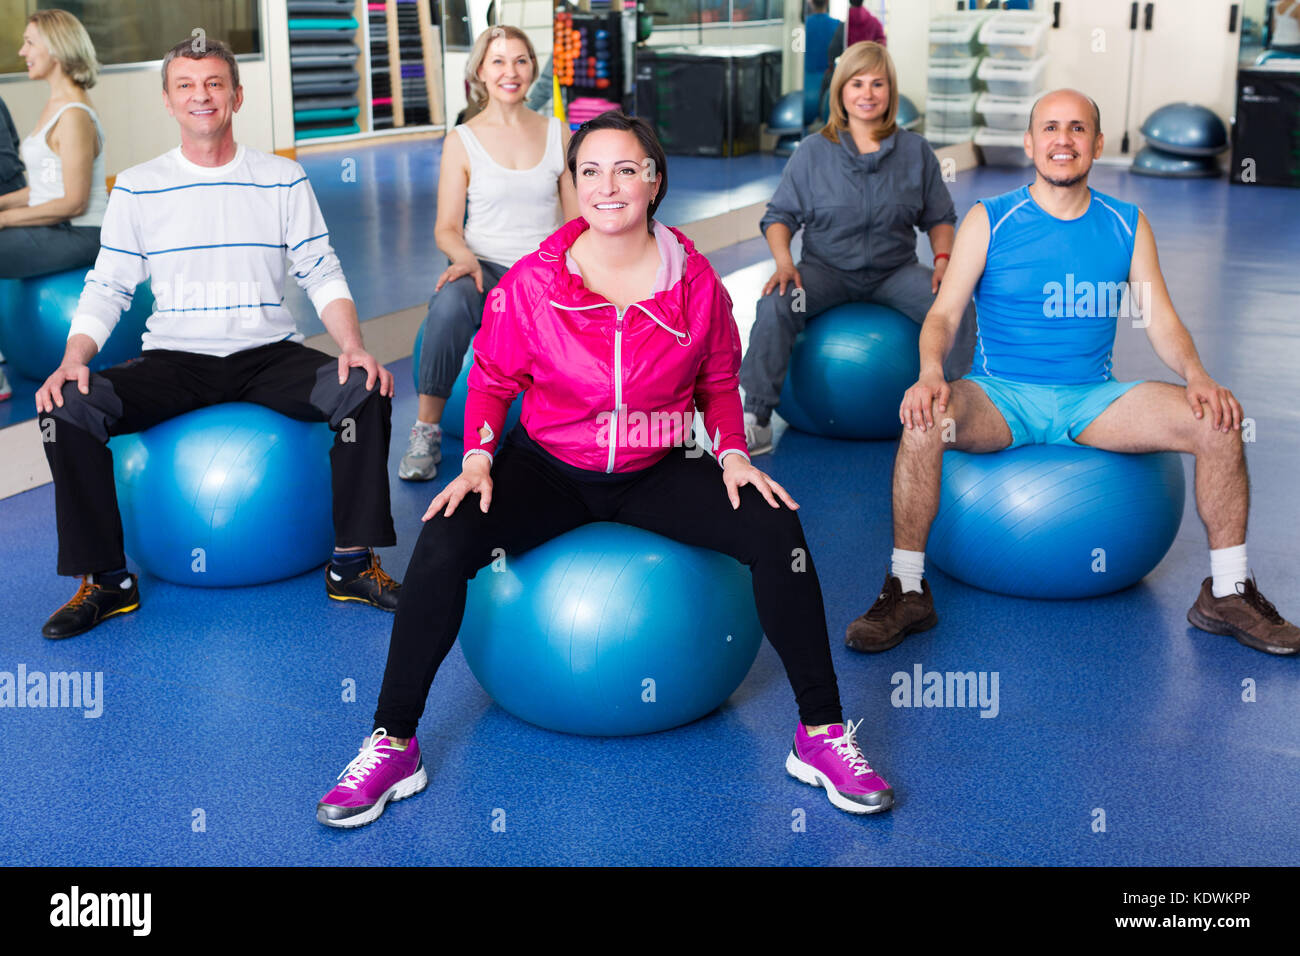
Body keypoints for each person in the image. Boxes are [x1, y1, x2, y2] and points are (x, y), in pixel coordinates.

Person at [317, 112, 895, 828]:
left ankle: (822, 734)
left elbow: (718, 378)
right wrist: (474, 457)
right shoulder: (532, 283)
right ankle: (392, 742)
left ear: (654, 180)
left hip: (659, 461)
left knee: (779, 526)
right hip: (550, 464)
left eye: (626, 169)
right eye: (589, 171)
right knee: (442, 535)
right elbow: (493, 377)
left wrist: (734, 453)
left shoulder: (696, 282)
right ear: (572, 183)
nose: (606, 185)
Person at [844, 88, 1300, 657]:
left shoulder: (1126, 223)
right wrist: (931, 371)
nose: (1064, 140)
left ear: (1098, 144)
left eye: (1079, 129)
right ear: (1031, 143)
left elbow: (1161, 321)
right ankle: (907, 588)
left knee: (1218, 423)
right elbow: (943, 313)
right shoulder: (991, 219)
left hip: (1092, 400)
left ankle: (1227, 593)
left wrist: (1199, 376)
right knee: (923, 421)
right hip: (1000, 396)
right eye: (1052, 128)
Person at [35, 37, 401, 640]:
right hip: (175, 360)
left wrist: (353, 345)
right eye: (186, 85)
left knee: (363, 387)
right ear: (168, 99)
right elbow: (108, 286)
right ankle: (106, 581)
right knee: (68, 407)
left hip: (268, 353)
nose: (200, 96)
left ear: (237, 94)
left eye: (213, 84)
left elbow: (320, 267)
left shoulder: (282, 179)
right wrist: (74, 359)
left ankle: (352, 564)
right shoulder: (139, 186)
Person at [742, 42, 976, 455]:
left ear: (891, 92)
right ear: (840, 91)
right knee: (778, 303)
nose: (867, 94)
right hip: (826, 271)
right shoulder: (813, 152)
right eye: (857, 84)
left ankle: (956, 412)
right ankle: (755, 418)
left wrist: (944, 262)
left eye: (878, 84)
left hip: (895, 273)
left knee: (956, 303)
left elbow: (940, 218)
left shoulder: (915, 151)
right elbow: (778, 216)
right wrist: (783, 263)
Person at [399, 25, 578, 481]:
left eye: (520, 60)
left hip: (540, 273)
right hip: (483, 268)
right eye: (498, 61)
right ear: (481, 70)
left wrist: (570, 271)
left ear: (532, 69)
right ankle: (427, 428)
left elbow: (578, 224)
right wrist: (465, 259)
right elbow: (446, 228)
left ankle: (574, 433)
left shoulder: (559, 134)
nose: (510, 71)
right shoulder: (462, 140)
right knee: (449, 302)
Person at [0, 10, 106, 279]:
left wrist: (3, 219)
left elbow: (74, 203)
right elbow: (46, 187)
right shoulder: (55, 106)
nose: (23, 52)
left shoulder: (73, 115)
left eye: (30, 43)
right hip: (57, 227)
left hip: (79, 232)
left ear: (56, 48)